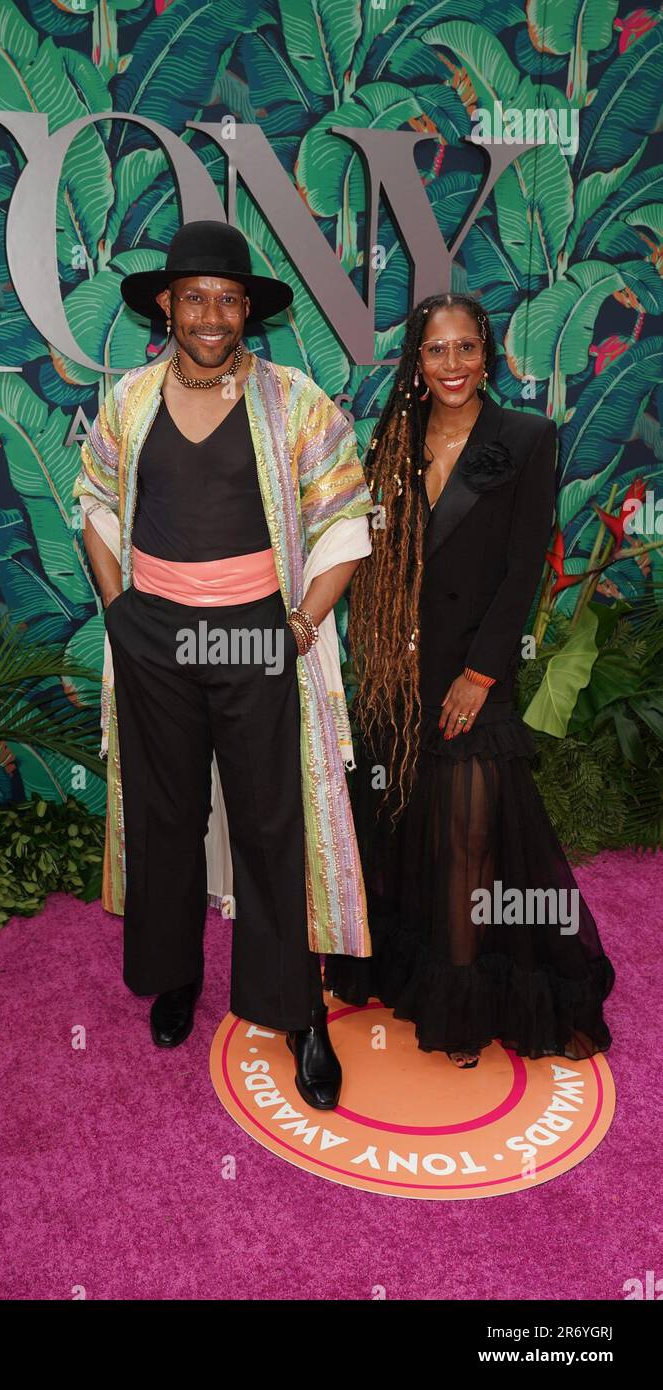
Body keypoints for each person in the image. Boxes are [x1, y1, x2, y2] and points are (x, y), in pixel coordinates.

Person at [73, 220, 375, 1109]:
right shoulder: (127, 400)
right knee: (163, 815)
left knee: (272, 825)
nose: (211, 315)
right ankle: (175, 978)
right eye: (194, 297)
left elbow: (346, 521)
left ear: (250, 310)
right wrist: (119, 610)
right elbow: (92, 502)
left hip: (258, 637)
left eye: (228, 299)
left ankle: (297, 1012)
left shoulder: (296, 401)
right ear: (167, 306)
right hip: (153, 634)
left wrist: (297, 626)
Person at [323, 292, 615, 1067]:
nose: (451, 365)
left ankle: (463, 1003)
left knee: (467, 839)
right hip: (396, 673)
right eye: (434, 351)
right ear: (415, 364)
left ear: (488, 355)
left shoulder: (526, 438)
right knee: (400, 829)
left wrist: (482, 675)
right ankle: (405, 972)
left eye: (465, 349)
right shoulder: (388, 442)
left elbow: (523, 569)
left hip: (472, 672)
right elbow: (365, 552)